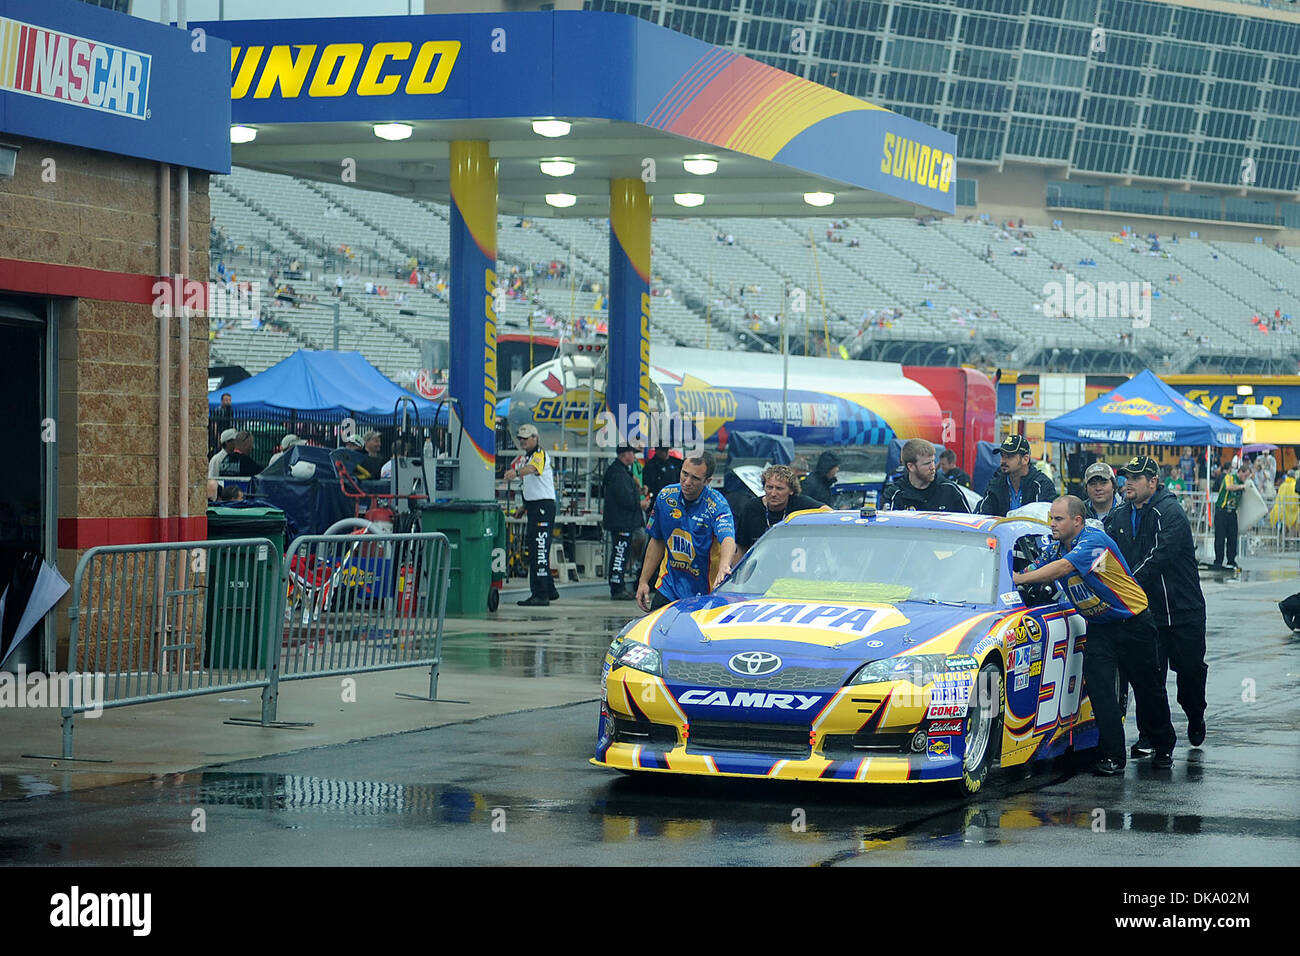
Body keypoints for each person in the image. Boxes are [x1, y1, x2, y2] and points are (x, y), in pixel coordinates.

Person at [1012, 496, 1176, 775]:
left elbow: (1061, 569)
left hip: (1133, 623)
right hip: (1100, 627)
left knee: (1148, 689)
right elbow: (1035, 567)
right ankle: (1113, 756)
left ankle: (1163, 745)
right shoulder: (1056, 548)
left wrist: (1020, 579)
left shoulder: (1094, 540)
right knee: (1100, 690)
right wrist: (1011, 576)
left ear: (1077, 521)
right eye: (1051, 518)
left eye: (1058, 519)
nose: (1052, 524)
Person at [1104, 455, 1208, 752]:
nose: (1128, 483)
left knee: (1189, 674)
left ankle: (1195, 713)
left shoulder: (1169, 511)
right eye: (1125, 477)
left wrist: (1124, 585)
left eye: (1135, 478)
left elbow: (1157, 557)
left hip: (1184, 609)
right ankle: (1150, 733)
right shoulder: (1121, 514)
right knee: (1148, 677)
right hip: (1147, 612)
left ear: (1153, 482)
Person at [636, 451, 736, 612]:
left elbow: (728, 539)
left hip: (705, 592)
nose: (687, 482)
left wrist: (725, 565)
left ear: (707, 481)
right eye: (684, 474)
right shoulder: (665, 497)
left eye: (695, 478)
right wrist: (643, 581)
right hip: (669, 587)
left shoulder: (717, 505)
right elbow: (657, 540)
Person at [504, 424, 559, 607]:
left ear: (536, 438)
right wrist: (524, 506)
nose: (522, 441)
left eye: (526, 438)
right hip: (537, 506)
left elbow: (534, 469)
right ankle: (549, 590)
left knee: (539, 550)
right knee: (538, 549)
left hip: (543, 507)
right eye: (520, 438)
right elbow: (535, 486)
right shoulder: (529, 456)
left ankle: (540, 594)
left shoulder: (538, 455)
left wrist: (516, 473)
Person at [735, 464, 828, 558]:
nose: (773, 493)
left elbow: (829, 512)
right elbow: (741, 548)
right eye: (769, 487)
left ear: (791, 490)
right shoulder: (751, 508)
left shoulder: (801, 503)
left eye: (779, 488)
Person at [881, 438, 970, 512]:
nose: (933, 467)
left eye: (933, 461)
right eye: (927, 463)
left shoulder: (949, 490)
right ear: (911, 467)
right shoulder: (894, 495)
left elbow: (969, 527)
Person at [979, 434, 1057, 516]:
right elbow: (981, 515)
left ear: (1025, 459)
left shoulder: (1041, 485)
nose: (1003, 461)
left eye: (1009, 456)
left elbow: (1047, 521)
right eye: (1002, 456)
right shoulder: (996, 483)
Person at [602, 445, 643, 601]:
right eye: (633, 453)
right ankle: (617, 587)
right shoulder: (619, 474)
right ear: (626, 454)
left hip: (623, 521)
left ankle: (619, 584)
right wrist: (640, 504)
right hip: (621, 521)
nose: (634, 457)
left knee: (622, 552)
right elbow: (624, 498)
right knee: (619, 553)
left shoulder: (622, 471)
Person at [1211, 461, 1249, 569]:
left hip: (1232, 513)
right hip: (1222, 511)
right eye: (1245, 475)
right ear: (1240, 472)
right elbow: (1228, 487)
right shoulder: (1229, 477)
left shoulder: (1243, 484)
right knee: (1220, 537)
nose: (1245, 478)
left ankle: (1231, 560)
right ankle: (1218, 560)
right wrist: (1241, 486)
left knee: (1232, 538)